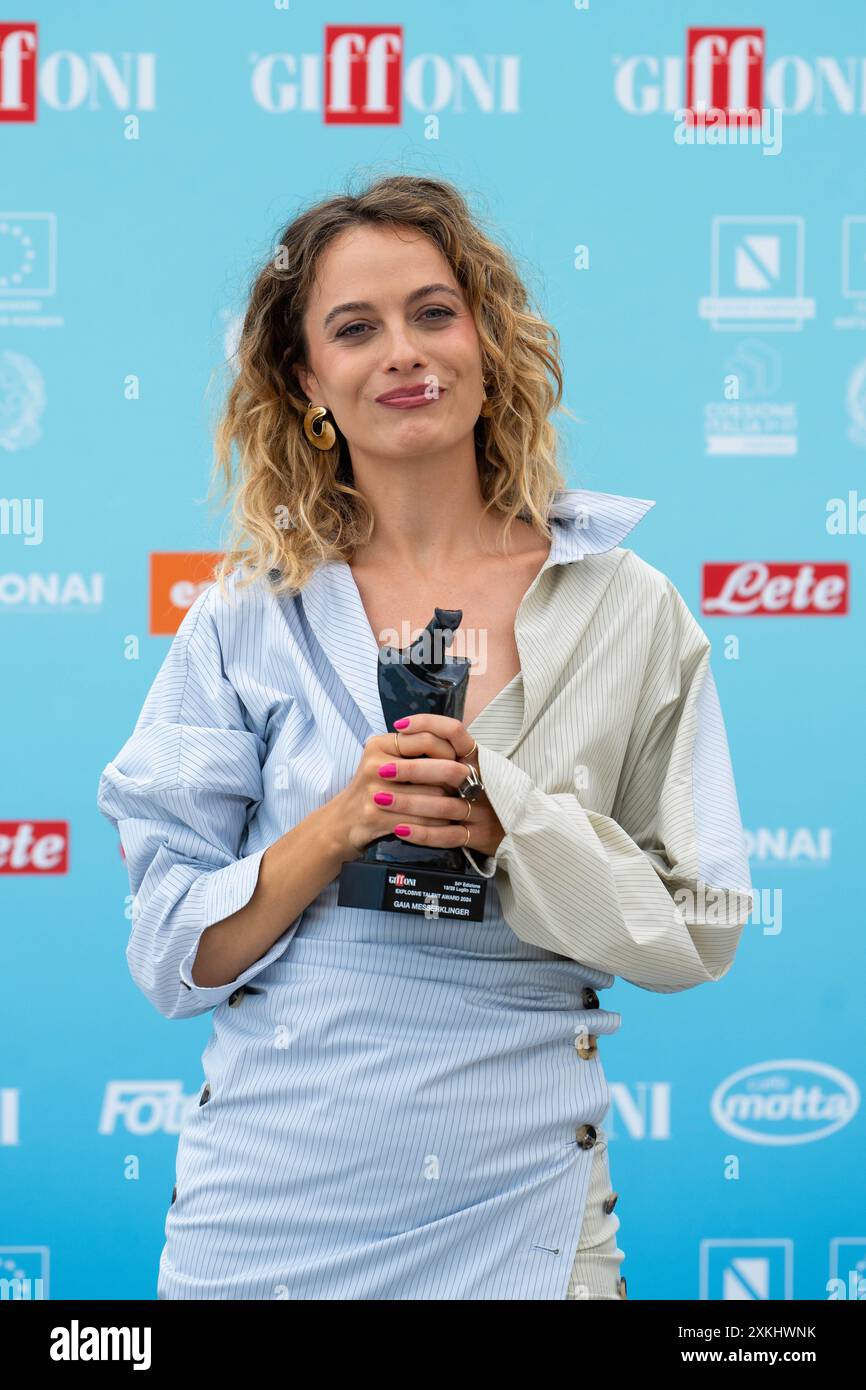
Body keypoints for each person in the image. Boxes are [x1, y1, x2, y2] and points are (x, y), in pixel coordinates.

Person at [96, 173, 753, 1301]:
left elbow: (695, 930)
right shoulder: (246, 613)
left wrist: (514, 826)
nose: (403, 351)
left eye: (433, 312)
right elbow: (170, 952)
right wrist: (336, 828)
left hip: (526, 1214)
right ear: (307, 379)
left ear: (486, 340)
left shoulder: (625, 606)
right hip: (271, 1220)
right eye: (356, 328)